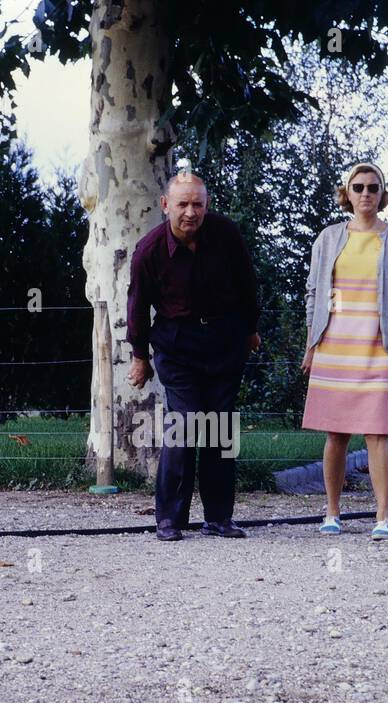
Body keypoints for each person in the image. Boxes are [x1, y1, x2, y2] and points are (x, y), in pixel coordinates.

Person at [126, 170, 261, 542]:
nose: (190, 212)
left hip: (224, 341)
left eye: (197, 204)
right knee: (184, 425)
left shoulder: (226, 235)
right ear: (165, 205)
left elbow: (248, 285)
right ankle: (169, 519)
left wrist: (250, 329)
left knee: (219, 427)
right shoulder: (148, 251)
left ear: (207, 206)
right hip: (176, 345)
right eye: (182, 204)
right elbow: (137, 307)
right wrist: (140, 356)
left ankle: (218, 518)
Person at [301, 162, 388, 540]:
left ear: (382, 194)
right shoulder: (327, 239)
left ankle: (383, 515)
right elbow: (314, 295)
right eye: (358, 187)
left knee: (378, 434)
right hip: (334, 347)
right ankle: (332, 511)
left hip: (378, 347)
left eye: (373, 187)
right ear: (347, 193)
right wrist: (311, 344)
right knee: (336, 435)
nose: (366, 194)